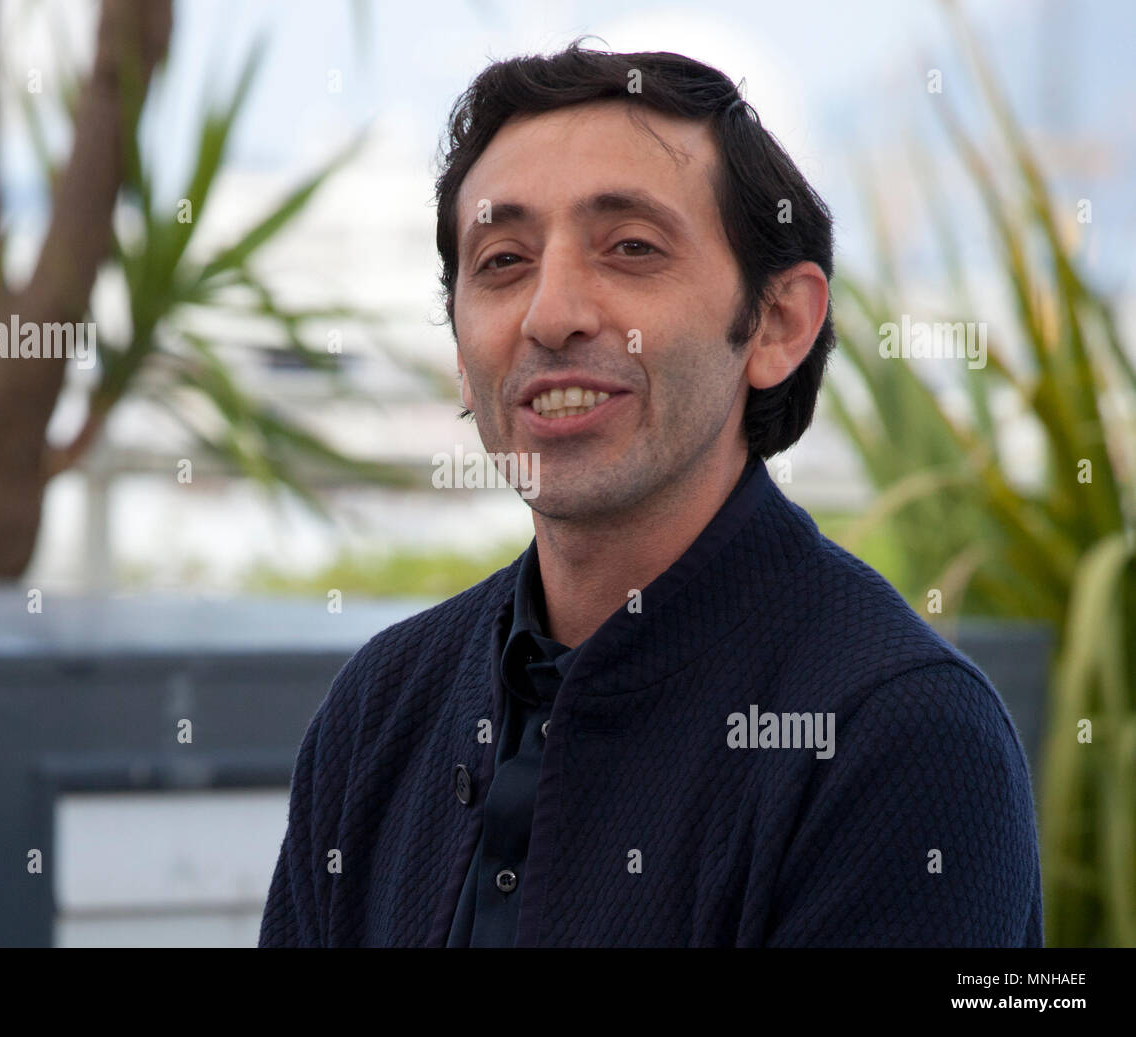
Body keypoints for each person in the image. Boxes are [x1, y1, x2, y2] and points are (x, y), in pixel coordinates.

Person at [257, 39, 1043, 948]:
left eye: (631, 247)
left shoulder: (894, 734)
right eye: (503, 261)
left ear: (777, 323)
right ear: (462, 359)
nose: (552, 314)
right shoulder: (380, 710)